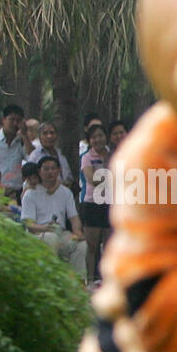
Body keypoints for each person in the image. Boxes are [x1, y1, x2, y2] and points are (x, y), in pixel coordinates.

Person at [21, 155, 87, 278]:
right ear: (39, 171)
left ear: (59, 170)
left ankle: (79, 284)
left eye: (53, 168)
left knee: (80, 245)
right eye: (46, 169)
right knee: (51, 238)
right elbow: (28, 224)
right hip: (38, 234)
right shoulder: (30, 193)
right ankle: (50, 280)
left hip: (60, 232)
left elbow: (73, 217)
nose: (50, 172)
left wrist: (77, 231)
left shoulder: (65, 192)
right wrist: (45, 228)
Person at [78, 122, 113, 286]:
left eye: (100, 136)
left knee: (109, 245)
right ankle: (89, 279)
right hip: (92, 203)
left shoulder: (113, 154)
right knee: (91, 246)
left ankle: (107, 280)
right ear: (89, 140)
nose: (98, 140)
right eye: (94, 137)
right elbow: (91, 179)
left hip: (110, 203)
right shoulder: (86, 157)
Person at [28, 120, 74, 193]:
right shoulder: (35, 156)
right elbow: (31, 179)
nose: (49, 136)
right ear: (39, 137)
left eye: (52, 133)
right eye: (45, 133)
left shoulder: (61, 155)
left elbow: (68, 177)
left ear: (56, 136)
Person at [0, 104, 27, 197]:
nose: (15, 123)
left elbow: (32, 157)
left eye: (18, 121)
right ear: (3, 120)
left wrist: (25, 135)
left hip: (16, 192)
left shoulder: (22, 141)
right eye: (11, 119)